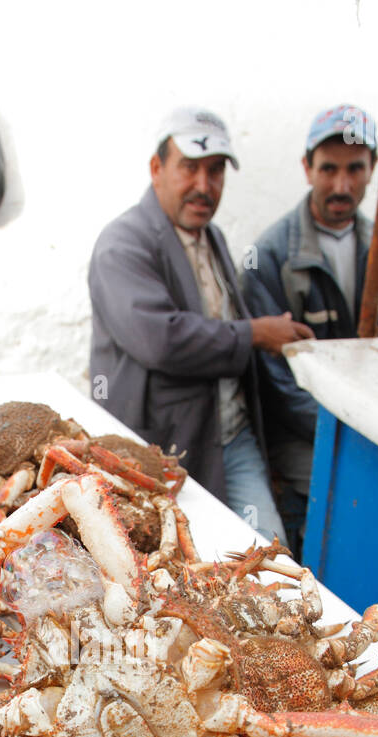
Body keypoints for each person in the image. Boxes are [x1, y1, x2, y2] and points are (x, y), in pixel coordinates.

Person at [88, 107, 312, 544]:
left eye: (215, 172)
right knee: (173, 570)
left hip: (230, 436)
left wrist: (266, 331)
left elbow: (219, 324)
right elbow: (162, 340)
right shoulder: (123, 244)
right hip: (160, 450)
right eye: (189, 169)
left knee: (268, 555)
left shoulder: (212, 237)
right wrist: (257, 333)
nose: (203, 186)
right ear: (157, 169)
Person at [242, 104, 378, 556]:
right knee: (340, 508)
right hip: (305, 436)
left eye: (355, 169)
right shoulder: (271, 256)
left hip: (372, 428)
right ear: (307, 169)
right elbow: (277, 384)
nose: (342, 185)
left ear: (373, 168)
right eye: (329, 169)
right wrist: (354, 430)